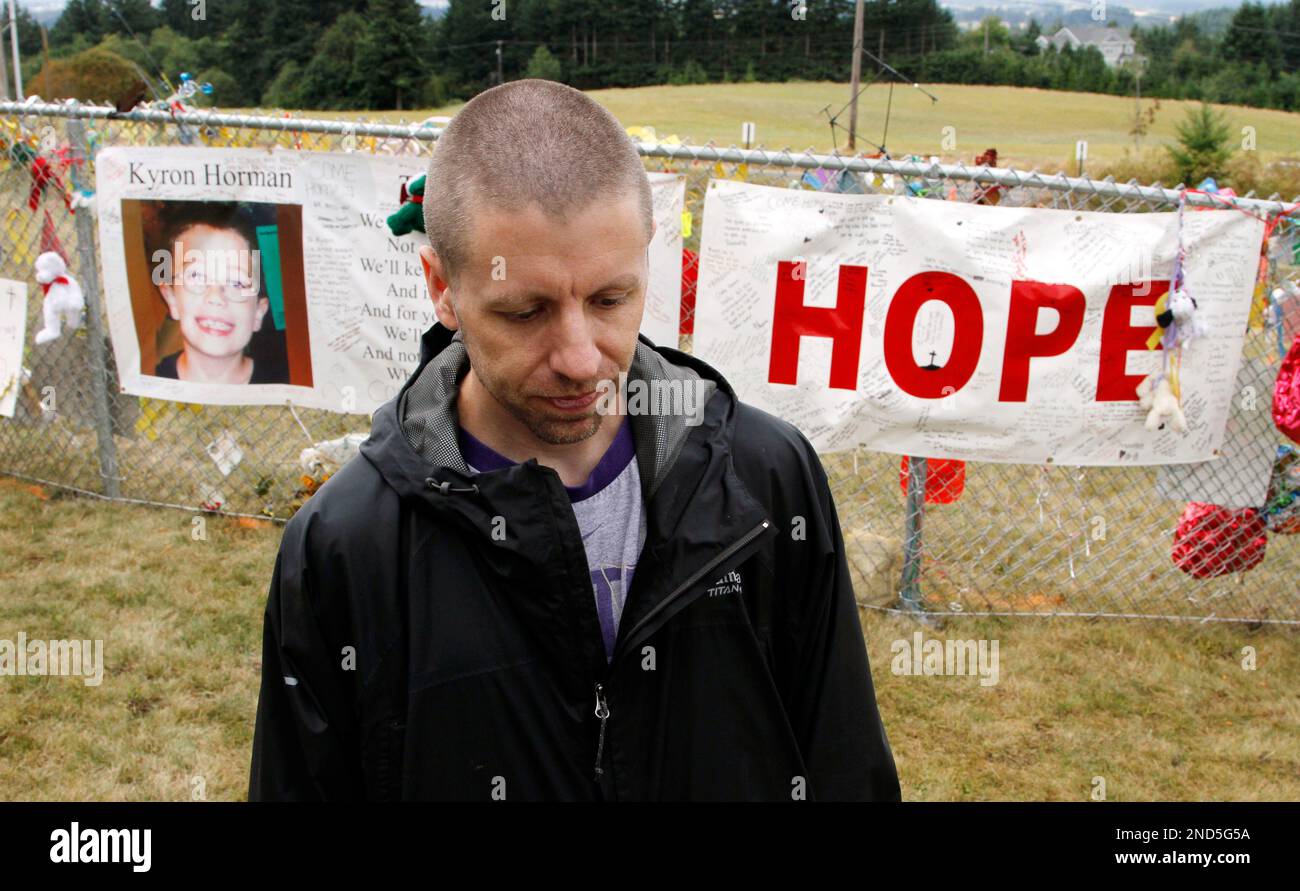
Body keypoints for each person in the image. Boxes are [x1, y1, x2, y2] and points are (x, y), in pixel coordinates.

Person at [248, 79, 900, 802]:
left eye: (610, 299)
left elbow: (843, 763)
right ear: (441, 286)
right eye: (526, 311)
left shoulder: (764, 480)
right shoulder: (346, 545)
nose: (582, 358)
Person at [153, 203, 278, 385]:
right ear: (171, 298)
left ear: (259, 312)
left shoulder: (287, 390)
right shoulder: (148, 386)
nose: (216, 297)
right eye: (196, 276)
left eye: (236, 282)